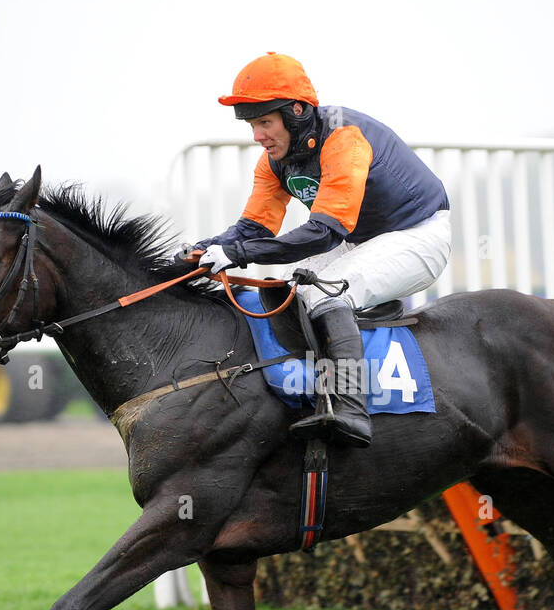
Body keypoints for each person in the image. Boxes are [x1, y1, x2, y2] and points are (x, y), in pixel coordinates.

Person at [184, 52, 451, 448]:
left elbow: (325, 233)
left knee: (327, 291)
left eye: (264, 123)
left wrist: (239, 253)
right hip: (363, 240)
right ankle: (311, 390)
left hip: (418, 236)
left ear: (295, 112)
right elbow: (252, 228)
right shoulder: (274, 160)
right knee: (291, 286)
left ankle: (350, 408)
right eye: (252, 125)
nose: (257, 136)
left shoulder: (344, 138)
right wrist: (205, 249)